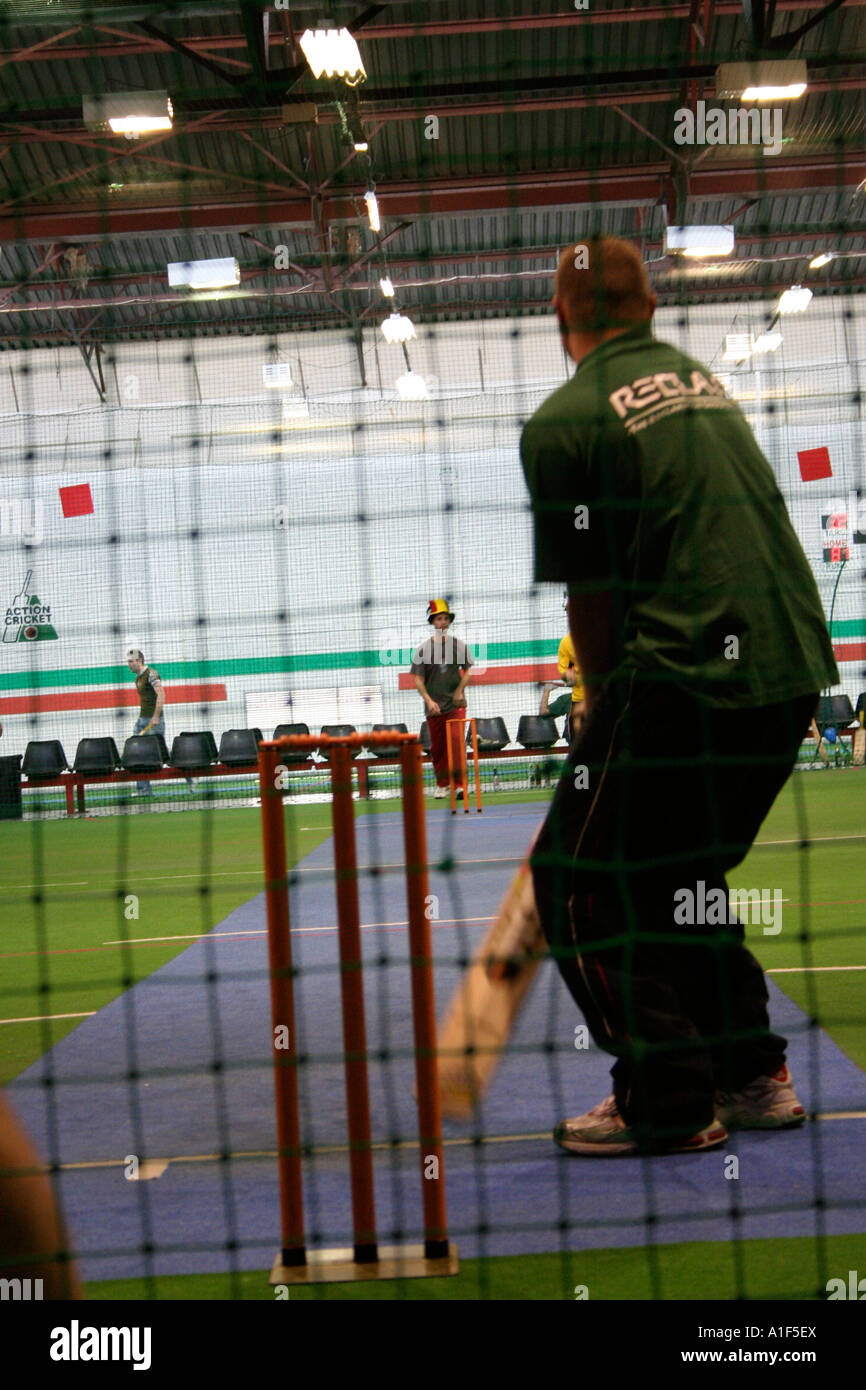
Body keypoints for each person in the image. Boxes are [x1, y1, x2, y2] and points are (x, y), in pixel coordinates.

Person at [519, 236, 839, 1157]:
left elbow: (593, 598)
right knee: (676, 876)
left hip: (683, 670)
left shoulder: (565, 420)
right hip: (789, 674)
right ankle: (750, 1076)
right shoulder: (707, 388)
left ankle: (665, 1097)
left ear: (559, 319)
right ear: (652, 304)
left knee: (576, 885)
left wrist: (600, 708)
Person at [410, 600, 473, 799]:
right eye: (439, 619)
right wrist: (429, 700)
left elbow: (469, 670)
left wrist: (459, 691)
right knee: (438, 748)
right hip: (434, 708)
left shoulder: (459, 646)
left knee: (456, 743)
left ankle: (460, 785)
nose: (443, 622)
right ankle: (442, 784)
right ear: (432, 622)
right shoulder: (422, 650)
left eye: (446, 619)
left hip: (456, 705)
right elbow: (418, 681)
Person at [127, 649, 194, 797]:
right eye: (128, 661)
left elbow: (161, 694)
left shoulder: (151, 674)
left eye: (131, 661)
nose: (129, 664)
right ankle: (143, 790)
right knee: (138, 753)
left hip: (154, 721)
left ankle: (189, 776)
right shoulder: (137, 678)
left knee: (160, 754)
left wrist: (156, 716)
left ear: (139, 661)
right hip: (141, 720)